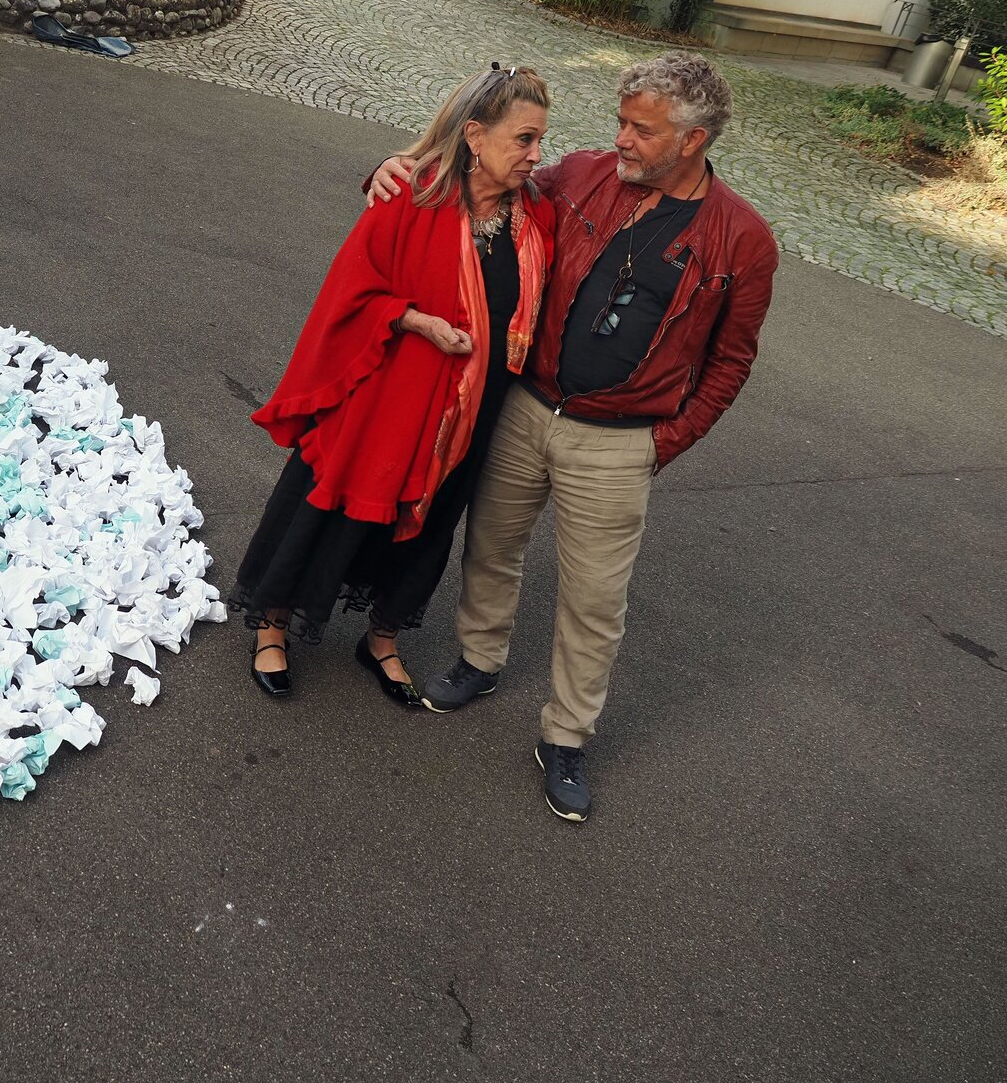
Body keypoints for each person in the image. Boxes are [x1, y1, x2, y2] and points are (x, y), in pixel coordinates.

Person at [369, 52, 778, 823]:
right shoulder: (581, 174)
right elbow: (484, 176)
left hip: (622, 442)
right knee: (490, 547)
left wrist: (667, 441)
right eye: (621, 121)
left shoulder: (743, 240)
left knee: (594, 600)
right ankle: (481, 660)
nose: (620, 138)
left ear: (692, 141)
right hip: (527, 407)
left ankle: (566, 737)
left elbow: (732, 360)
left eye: (641, 129)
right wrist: (404, 164)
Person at [237, 65, 556, 705]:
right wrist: (416, 321)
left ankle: (381, 637)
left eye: (541, 140)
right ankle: (274, 625)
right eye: (523, 139)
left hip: (469, 413)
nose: (536, 155)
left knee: (431, 521)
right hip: (385, 396)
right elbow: (350, 293)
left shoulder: (539, 216)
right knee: (329, 505)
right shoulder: (413, 197)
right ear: (474, 135)